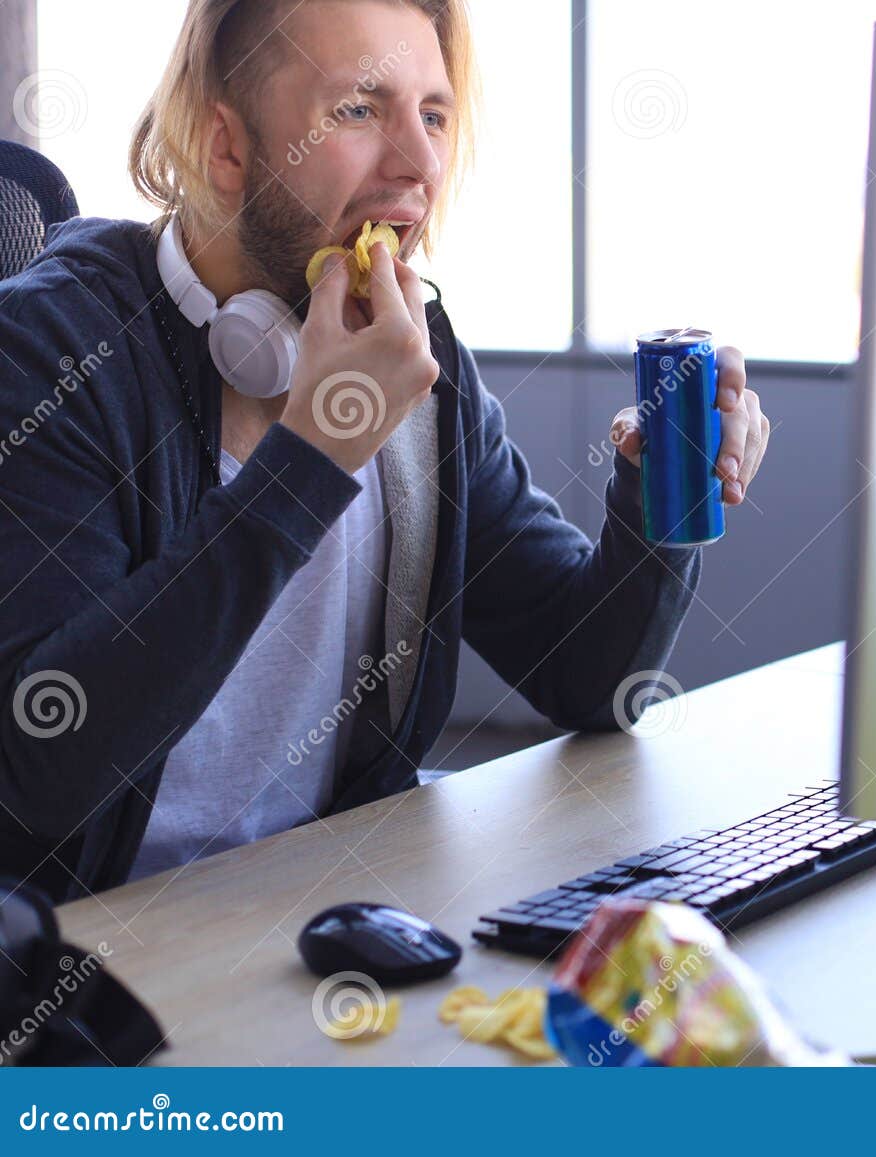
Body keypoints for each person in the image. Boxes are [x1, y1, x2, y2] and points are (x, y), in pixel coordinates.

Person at [0, 0, 770, 900]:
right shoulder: (50, 352)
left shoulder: (419, 360)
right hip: (94, 968)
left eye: (434, 114)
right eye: (359, 109)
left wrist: (657, 489)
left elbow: (588, 675)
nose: (421, 162)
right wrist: (311, 462)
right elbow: (37, 778)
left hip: (330, 920)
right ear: (227, 146)